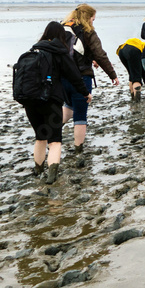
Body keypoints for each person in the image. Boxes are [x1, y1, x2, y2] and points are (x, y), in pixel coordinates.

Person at [19, 21, 91, 184]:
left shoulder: (33, 50)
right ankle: (52, 177)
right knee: (55, 140)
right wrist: (85, 93)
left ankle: (38, 170)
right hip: (50, 100)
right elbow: (74, 76)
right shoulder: (59, 52)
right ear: (60, 36)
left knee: (40, 137)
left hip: (30, 100)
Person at [61, 4, 119, 153]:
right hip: (81, 77)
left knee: (68, 105)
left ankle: (50, 132)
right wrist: (112, 75)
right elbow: (100, 54)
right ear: (87, 17)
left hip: (62, 78)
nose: (93, 22)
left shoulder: (62, 28)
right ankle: (78, 149)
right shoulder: (88, 31)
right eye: (93, 19)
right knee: (80, 115)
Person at [116, 36, 145, 101]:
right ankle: (137, 100)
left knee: (132, 74)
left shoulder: (141, 44)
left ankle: (133, 96)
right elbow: (144, 73)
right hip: (133, 50)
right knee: (136, 77)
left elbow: (143, 71)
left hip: (121, 51)